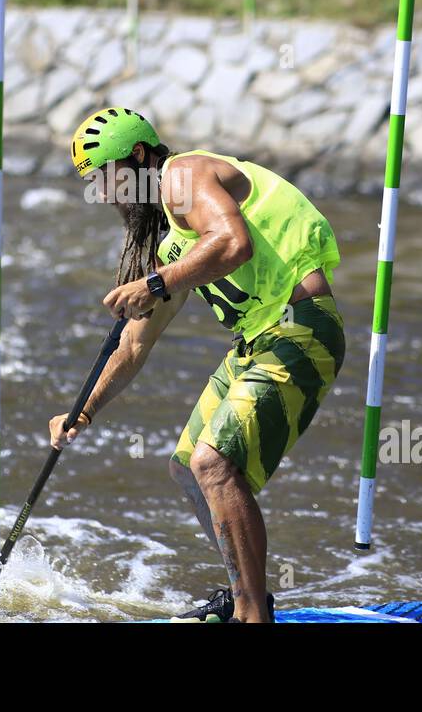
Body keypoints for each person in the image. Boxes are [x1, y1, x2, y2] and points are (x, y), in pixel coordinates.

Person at [49, 106, 346, 623]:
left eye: (104, 178)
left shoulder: (182, 175)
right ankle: (248, 596)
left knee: (214, 463)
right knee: (187, 466)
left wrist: (157, 283)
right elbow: (135, 345)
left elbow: (233, 241)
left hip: (300, 329)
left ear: (138, 157)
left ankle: (252, 616)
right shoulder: (172, 242)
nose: (100, 194)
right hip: (255, 341)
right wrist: (84, 411)